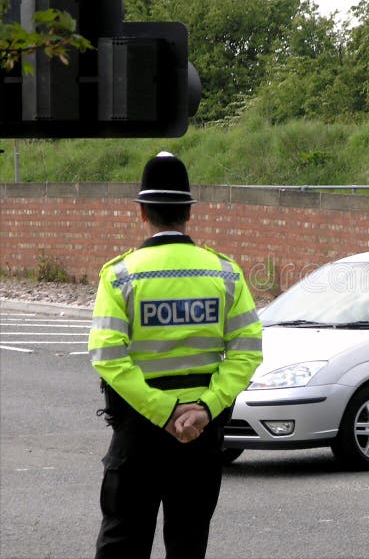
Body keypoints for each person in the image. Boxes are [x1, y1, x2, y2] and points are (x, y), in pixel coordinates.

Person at [88, 152, 263, 559]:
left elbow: (108, 357)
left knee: (122, 545)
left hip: (138, 435)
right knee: (188, 545)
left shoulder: (120, 275)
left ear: (143, 213)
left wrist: (164, 412)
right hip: (200, 438)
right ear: (188, 212)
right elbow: (246, 351)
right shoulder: (225, 274)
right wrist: (203, 408)